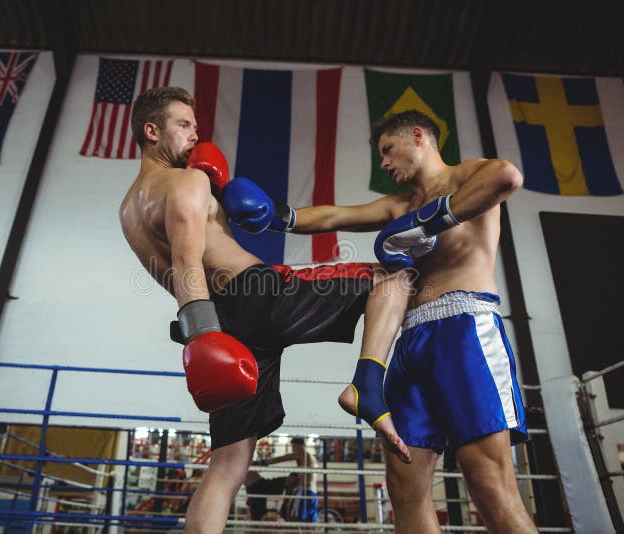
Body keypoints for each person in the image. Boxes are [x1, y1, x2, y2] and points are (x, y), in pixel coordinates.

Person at [223, 110, 536, 532]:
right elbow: (334, 216)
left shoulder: (470, 175)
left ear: (419, 137)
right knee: (404, 491)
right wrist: (277, 215)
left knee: (489, 485)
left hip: (466, 330)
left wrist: (429, 223)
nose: (385, 164)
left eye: (388, 150)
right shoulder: (398, 206)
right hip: (409, 344)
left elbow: (508, 178)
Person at [119, 87, 412, 534]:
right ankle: (367, 385)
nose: (195, 137)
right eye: (184, 126)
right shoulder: (188, 182)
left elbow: (174, 270)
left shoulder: (126, 209)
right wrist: (201, 335)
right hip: (256, 296)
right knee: (392, 277)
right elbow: (186, 262)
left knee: (228, 462)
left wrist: (205, 333)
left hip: (224, 324)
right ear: (151, 130)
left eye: (196, 128)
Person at [244, 437, 318, 522]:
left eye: (293, 447)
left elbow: (281, 459)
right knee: (307, 522)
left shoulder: (303, 453)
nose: (293, 450)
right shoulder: (311, 459)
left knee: (295, 519)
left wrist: (260, 463)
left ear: (299, 446)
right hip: (312, 492)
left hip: (303, 492)